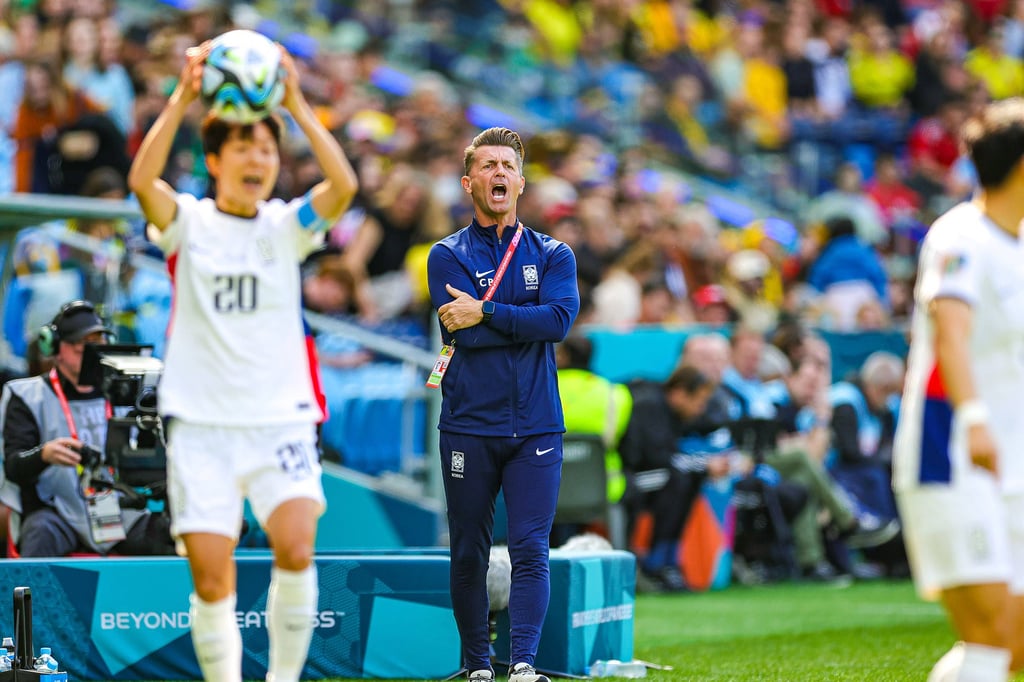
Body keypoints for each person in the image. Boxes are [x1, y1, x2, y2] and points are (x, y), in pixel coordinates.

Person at [126, 41, 358, 682]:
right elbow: (142, 181)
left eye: (267, 149)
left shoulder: (286, 227)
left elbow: (343, 186)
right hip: (201, 424)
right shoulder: (187, 224)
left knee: (297, 544)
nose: (258, 159)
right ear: (216, 160)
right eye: (244, 149)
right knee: (210, 577)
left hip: (279, 418)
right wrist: (180, 100)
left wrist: (297, 104)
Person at [425, 126, 579, 682]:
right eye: (486, 166)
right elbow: (459, 333)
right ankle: (475, 668)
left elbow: (559, 322)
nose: (498, 174)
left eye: (507, 166)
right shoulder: (446, 255)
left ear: (521, 181)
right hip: (468, 424)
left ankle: (522, 665)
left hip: (536, 424)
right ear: (469, 183)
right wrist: (519, 320)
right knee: (468, 549)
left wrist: (487, 312)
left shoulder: (555, 254)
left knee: (531, 549)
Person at [893, 98, 1024, 681]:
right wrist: (973, 418)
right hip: (950, 457)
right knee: (991, 633)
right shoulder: (960, 237)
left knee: (1010, 645)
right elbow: (950, 332)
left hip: (1007, 466)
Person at [1, 300, 174, 557]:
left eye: (98, 345)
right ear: (55, 349)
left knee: (172, 536)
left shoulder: (129, 391)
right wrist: (44, 455)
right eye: (82, 347)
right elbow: (14, 466)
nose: (93, 354)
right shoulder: (26, 395)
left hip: (119, 513)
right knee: (40, 533)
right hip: (57, 514)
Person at [619, 365, 729, 592]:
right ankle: (657, 562)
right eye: (699, 401)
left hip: (648, 475)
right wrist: (705, 464)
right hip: (626, 477)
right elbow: (658, 458)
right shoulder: (650, 406)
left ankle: (668, 558)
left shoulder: (669, 410)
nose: (701, 409)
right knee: (679, 477)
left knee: (690, 476)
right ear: (679, 394)